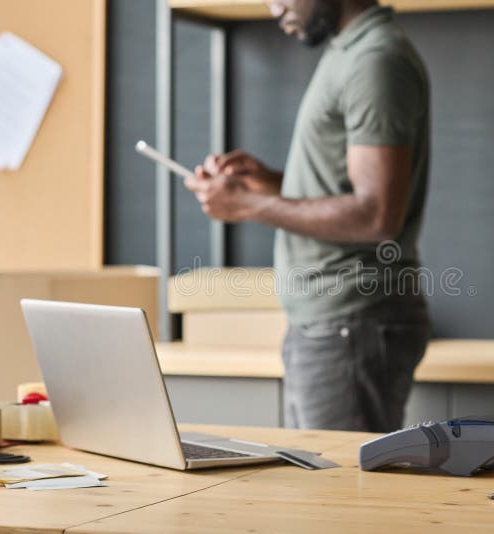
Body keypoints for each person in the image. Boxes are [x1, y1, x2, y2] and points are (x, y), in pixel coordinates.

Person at [185, 0, 431, 433]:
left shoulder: (375, 61)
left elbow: (376, 215)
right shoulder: (348, 51)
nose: (273, 7)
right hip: (329, 324)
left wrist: (247, 206)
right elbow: (343, 192)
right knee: (324, 491)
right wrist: (269, 184)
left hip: (351, 321)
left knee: (339, 496)